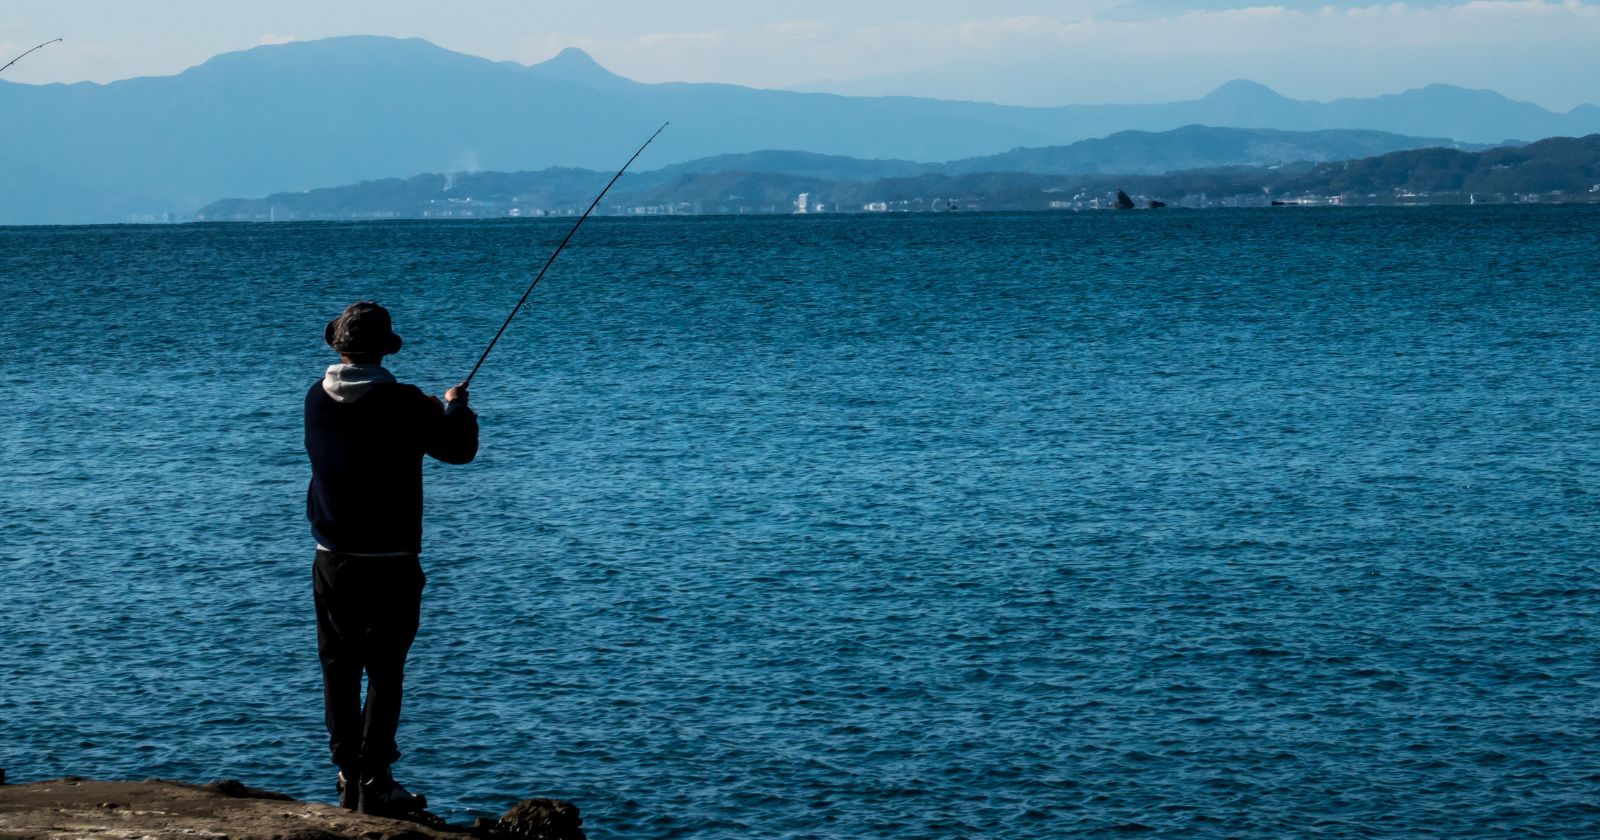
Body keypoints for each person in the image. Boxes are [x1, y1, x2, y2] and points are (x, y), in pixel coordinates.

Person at [304, 301, 479, 815]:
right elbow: (459, 449)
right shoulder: (405, 403)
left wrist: (427, 409)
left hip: (331, 557)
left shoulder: (316, 398)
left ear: (338, 345)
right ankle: (376, 779)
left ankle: (347, 773)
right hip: (391, 559)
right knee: (384, 672)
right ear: (383, 348)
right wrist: (454, 406)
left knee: (338, 669)